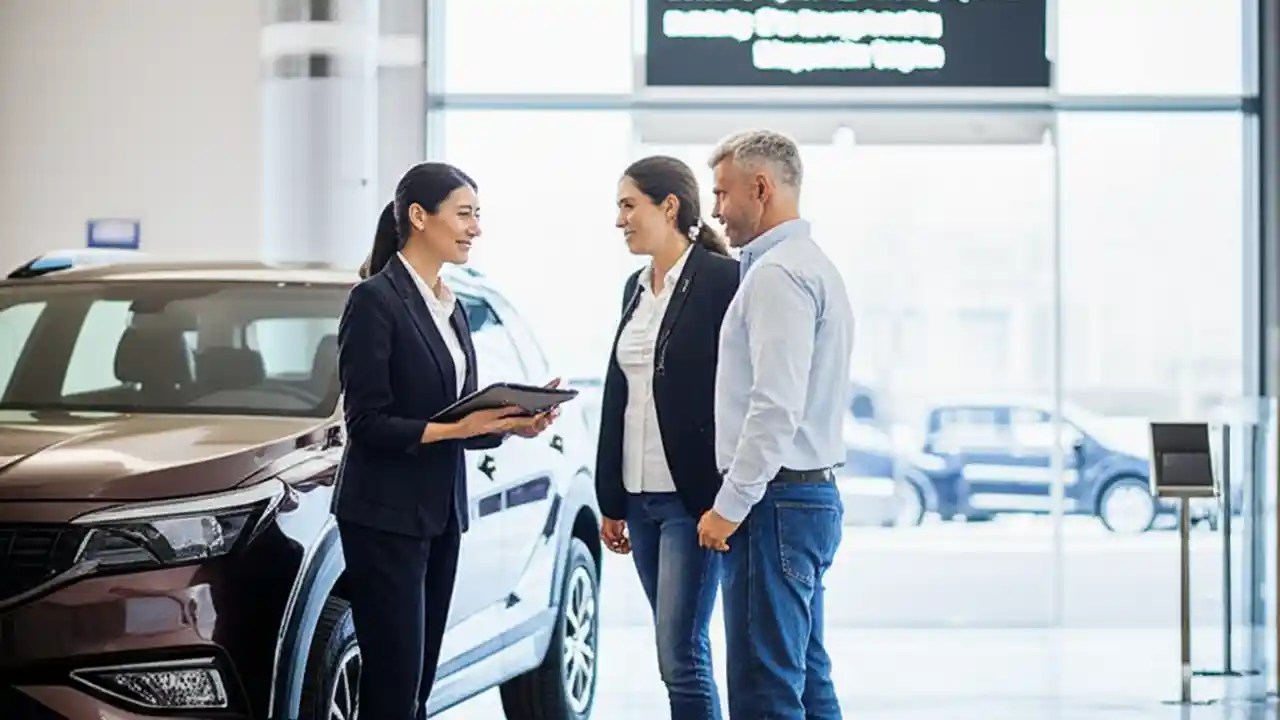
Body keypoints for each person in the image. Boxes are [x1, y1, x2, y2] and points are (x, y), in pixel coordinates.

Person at [334, 161, 558, 720]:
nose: (475, 228)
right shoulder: (374, 301)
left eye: (478, 215)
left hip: (440, 514)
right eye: (464, 214)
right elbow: (365, 423)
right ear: (418, 216)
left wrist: (512, 421)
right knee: (392, 683)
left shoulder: (450, 306)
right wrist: (458, 430)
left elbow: (460, 415)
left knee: (420, 683)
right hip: (383, 517)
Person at [695, 130, 854, 720]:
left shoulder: (778, 275)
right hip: (803, 498)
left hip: (775, 504)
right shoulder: (809, 266)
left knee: (765, 690)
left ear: (760, 188)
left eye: (722, 193)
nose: (715, 210)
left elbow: (774, 405)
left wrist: (730, 504)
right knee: (806, 680)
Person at [595, 155, 740, 719]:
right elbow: (620, 396)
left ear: (669, 207)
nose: (620, 220)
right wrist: (612, 499)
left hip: (690, 502)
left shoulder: (722, 280)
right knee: (675, 651)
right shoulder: (634, 288)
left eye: (629, 205)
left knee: (680, 655)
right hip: (638, 497)